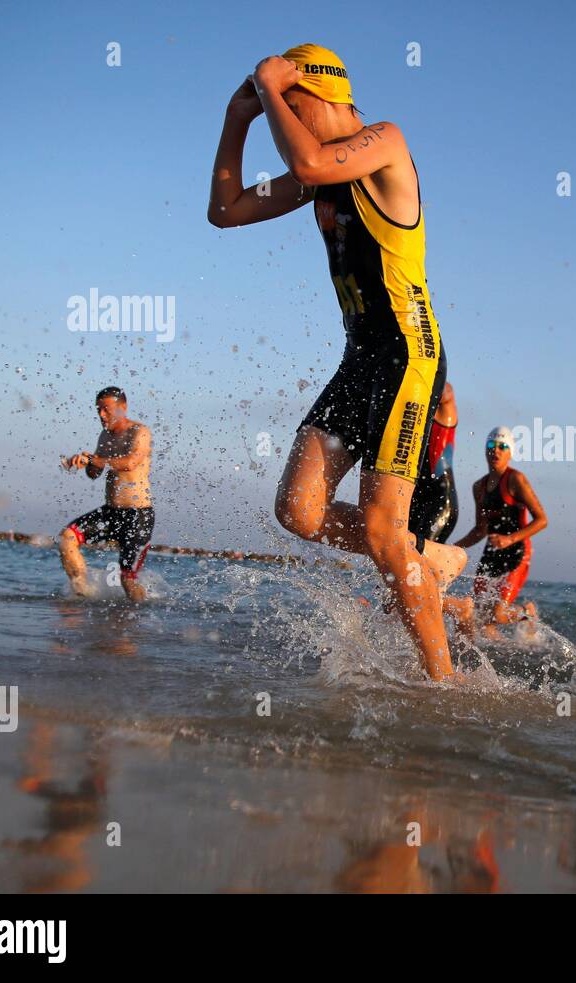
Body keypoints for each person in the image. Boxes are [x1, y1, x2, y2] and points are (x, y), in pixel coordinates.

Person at [207, 44, 466, 680]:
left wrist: (267, 86)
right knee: (298, 510)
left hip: (408, 353)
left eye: (293, 110)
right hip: (360, 359)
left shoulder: (385, 142)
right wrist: (237, 118)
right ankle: (428, 556)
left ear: (326, 97)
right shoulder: (315, 176)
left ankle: (445, 685)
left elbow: (308, 159)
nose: (287, 127)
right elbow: (226, 210)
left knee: (380, 529)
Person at [58, 387, 155, 603]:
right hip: (111, 513)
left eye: (106, 409)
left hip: (138, 516)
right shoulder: (104, 435)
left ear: (122, 408)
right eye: (98, 410)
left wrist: (94, 460)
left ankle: (140, 614)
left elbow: (130, 463)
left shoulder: (140, 432)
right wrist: (84, 462)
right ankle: (82, 596)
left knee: (127, 579)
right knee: (67, 538)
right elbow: (95, 473)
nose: (101, 415)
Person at [453, 427, 548, 627]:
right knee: (480, 615)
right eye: (491, 445)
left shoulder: (515, 479)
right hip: (492, 552)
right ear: (485, 450)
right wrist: (453, 548)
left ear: (510, 453)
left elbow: (542, 520)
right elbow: (480, 530)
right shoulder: (478, 487)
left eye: (502, 446)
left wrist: (509, 539)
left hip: (517, 550)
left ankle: (527, 611)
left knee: (499, 615)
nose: (495, 450)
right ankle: (498, 644)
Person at [409, 382, 459, 543]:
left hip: (441, 502)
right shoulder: (411, 413)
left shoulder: (444, 411)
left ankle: (457, 556)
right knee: (399, 549)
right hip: (415, 499)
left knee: (420, 552)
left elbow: (446, 392)